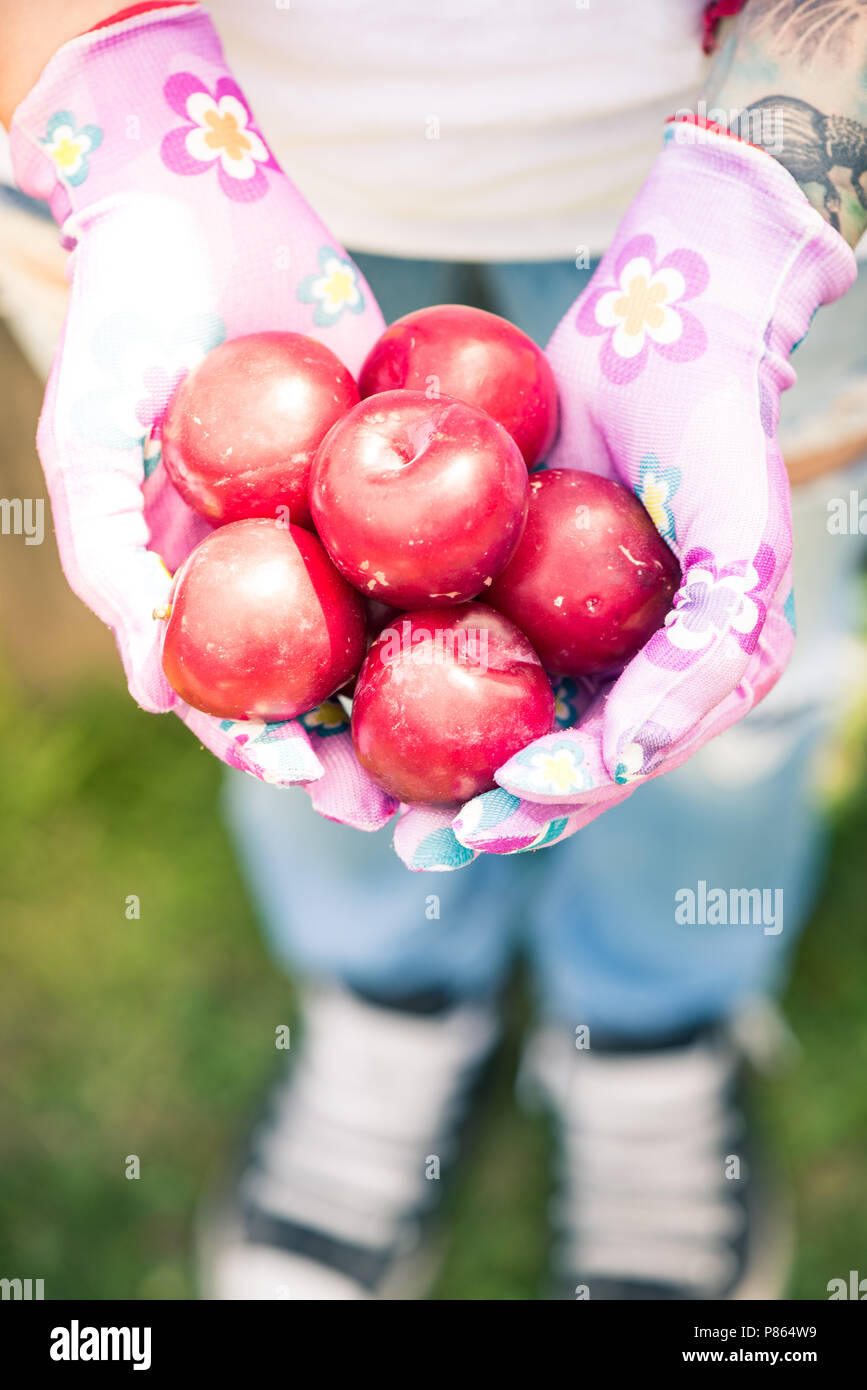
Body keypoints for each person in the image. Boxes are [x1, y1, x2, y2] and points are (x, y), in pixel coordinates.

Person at [2, 0, 866, 1300]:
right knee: (297, 710)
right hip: (190, 149)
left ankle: (653, 1019)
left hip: (709, 170)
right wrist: (123, 122)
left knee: (731, 655)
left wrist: (759, 211)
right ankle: (389, 992)